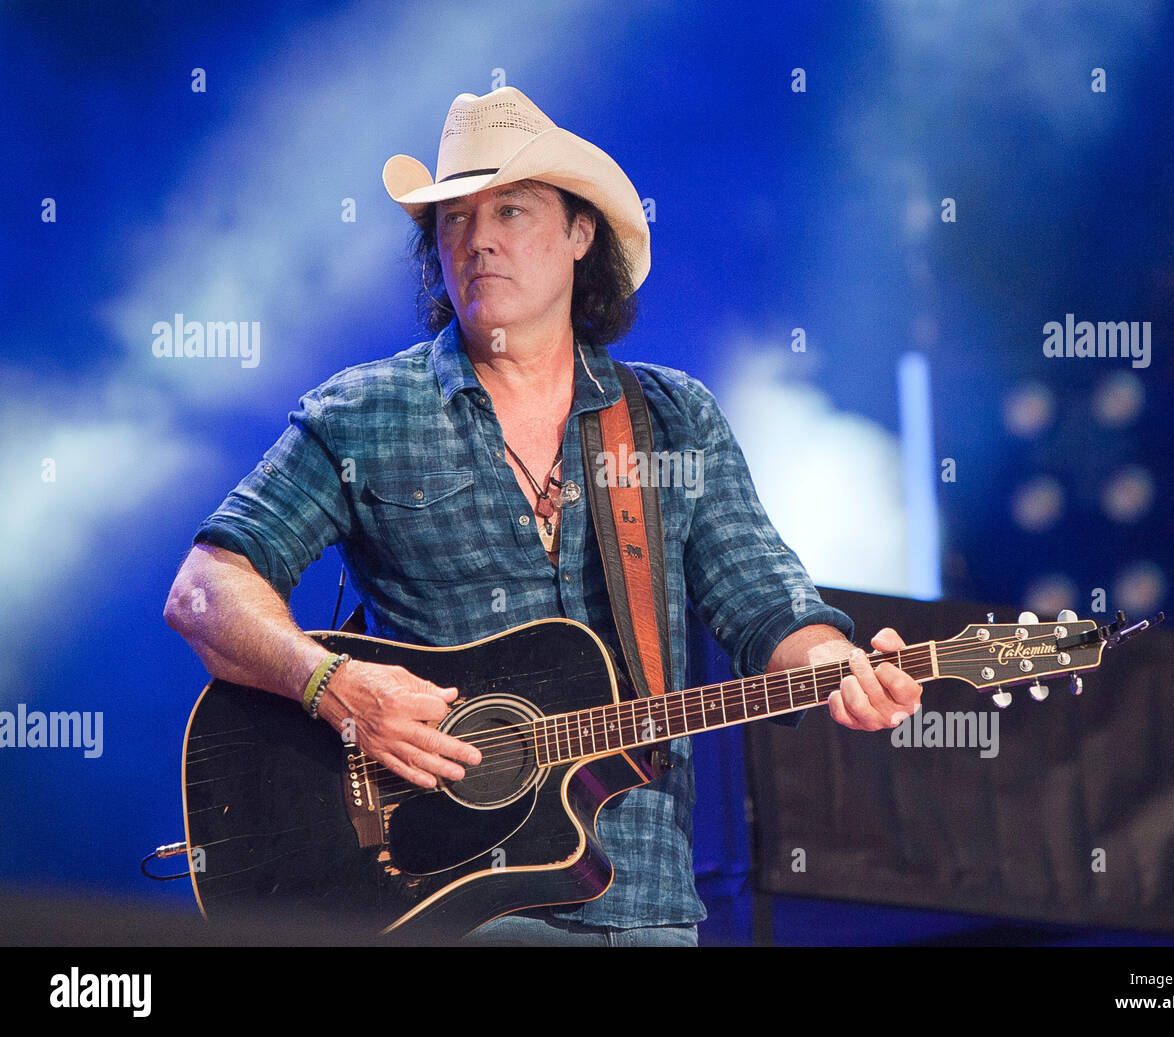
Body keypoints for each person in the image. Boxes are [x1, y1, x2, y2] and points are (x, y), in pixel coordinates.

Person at [164, 86, 923, 946]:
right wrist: (336, 687)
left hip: (644, 903)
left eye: (512, 209)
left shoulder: (674, 421)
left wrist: (840, 665)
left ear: (579, 234)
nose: (478, 238)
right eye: (454, 218)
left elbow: (767, 604)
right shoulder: (365, 413)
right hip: (434, 904)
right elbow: (203, 591)